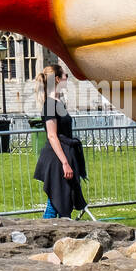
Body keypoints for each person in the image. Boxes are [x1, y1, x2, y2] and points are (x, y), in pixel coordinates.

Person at [32, 64, 87, 218]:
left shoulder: (58, 103)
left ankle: (57, 235)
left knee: (61, 200)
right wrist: (64, 163)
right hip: (56, 159)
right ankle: (44, 235)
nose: (67, 79)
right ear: (57, 79)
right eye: (65, 76)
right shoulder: (50, 104)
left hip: (63, 154)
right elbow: (52, 135)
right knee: (56, 201)